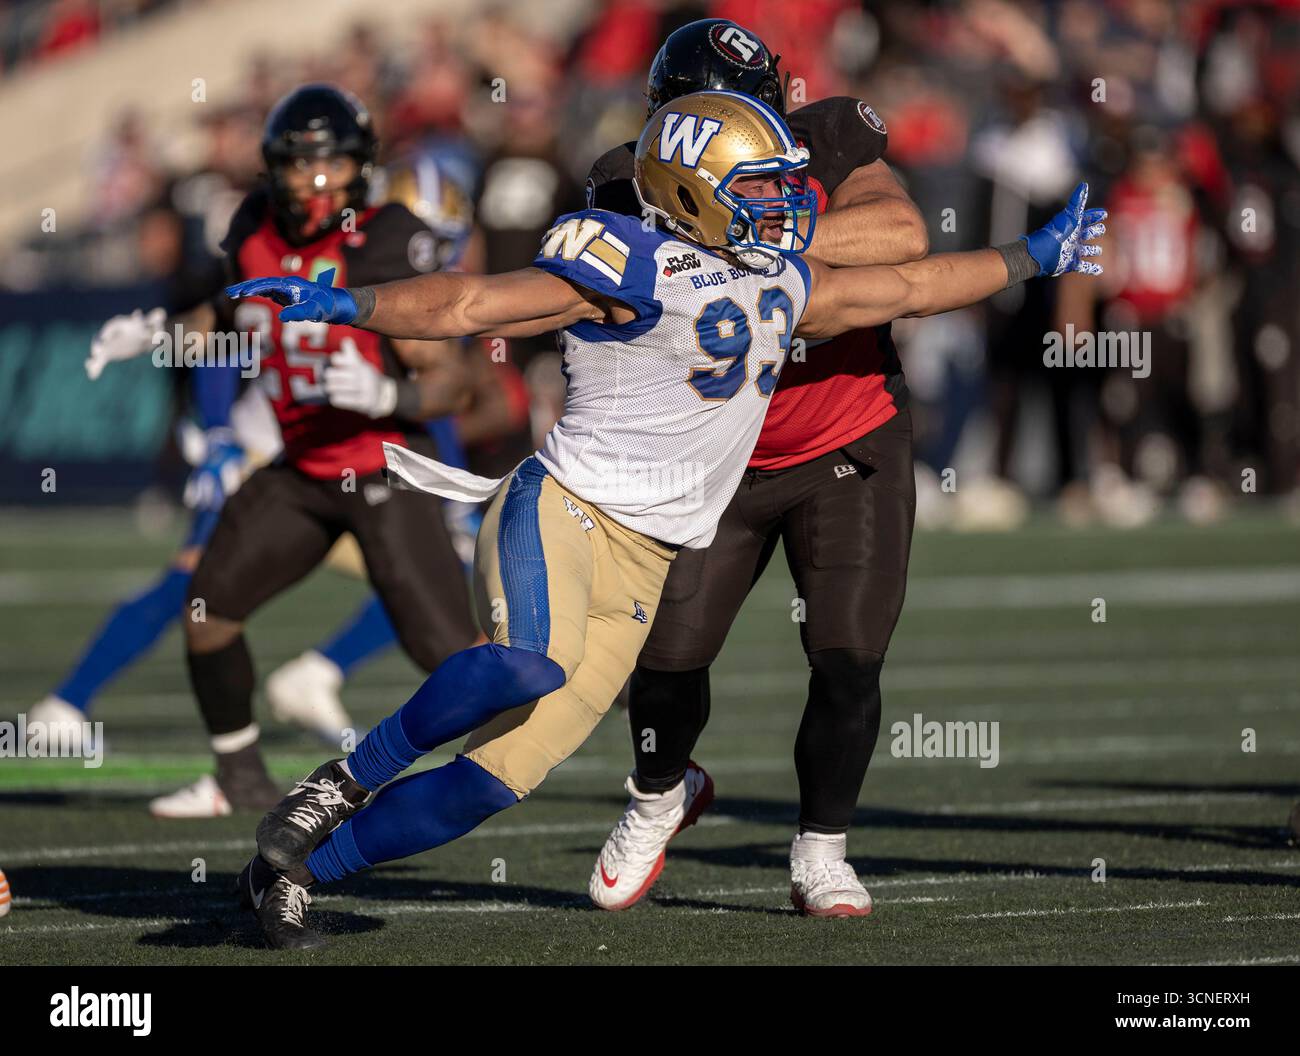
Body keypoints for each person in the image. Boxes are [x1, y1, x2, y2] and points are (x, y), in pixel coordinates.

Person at [225, 89, 1105, 949]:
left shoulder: (782, 278)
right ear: (690, 191)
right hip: (565, 511)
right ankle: (339, 782)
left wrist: (1033, 254)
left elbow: (911, 283)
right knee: (525, 663)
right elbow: (470, 304)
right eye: (760, 185)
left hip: (647, 562)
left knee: (495, 781)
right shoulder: (627, 257)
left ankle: (298, 873)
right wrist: (353, 304)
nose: (786, 203)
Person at [584, 16, 929, 917]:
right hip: (715, 450)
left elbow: (898, 233)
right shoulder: (627, 181)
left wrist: (756, 234)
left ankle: (822, 848)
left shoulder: (829, 136)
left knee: (850, 656)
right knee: (667, 654)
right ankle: (661, 793)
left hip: (846, 436)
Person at [153, 83, 480, 819]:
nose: (316, 182)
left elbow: (455, 384)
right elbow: (231, 309)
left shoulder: (388, 238)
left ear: (361, 168)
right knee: (207, 612)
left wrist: (388, 396)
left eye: (331, 165)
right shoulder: (253, 227)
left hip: (382, 467)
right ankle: (238, 775)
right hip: (300, 469)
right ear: (274, 169)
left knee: (456, 660)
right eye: (300, 166)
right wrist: (161, 329)